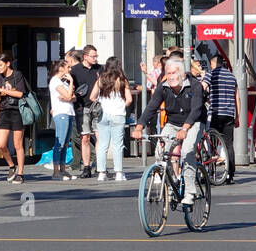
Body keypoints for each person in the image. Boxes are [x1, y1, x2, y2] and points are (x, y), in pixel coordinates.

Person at [132, 57, 204, 206]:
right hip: (172, 122)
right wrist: (139, 126)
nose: (170, 77)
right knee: (160, 152)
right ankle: (172, 183)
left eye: (174, 73)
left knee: (187, 151)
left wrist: (185, 128)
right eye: (168, 73)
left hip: (194, 122)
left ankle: (190, 192)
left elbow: (196, 109)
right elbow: (151, 107)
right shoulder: (163, 87)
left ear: (183, 74)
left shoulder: (195, 85)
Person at [0, 52, 29, 183]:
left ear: (8, 63)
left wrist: (3, 91)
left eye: (0, 65)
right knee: (1, 145)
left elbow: (19, 94)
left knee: (18, 144)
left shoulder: (17, 75)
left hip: (17, 111)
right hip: (4, 112)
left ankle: (21, 173)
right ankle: (12, 166)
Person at [90, 63, 132, 181]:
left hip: (103, 114)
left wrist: (101, 102)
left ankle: (101, 173)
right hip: (118, 114)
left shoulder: (101, 79)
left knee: (102, 144)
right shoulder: (123, 80)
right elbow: (129, 100)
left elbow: (92, 96)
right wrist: (121, 105)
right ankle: (119, 172)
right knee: (117, 144)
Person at [205, 53, 241, 183]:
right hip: (229, 114)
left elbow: (203, 86)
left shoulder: (212, 73)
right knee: (228, 145)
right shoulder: (232, 76)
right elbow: (237, 97)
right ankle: (230, 175)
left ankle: (211, 173)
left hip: (215, 113)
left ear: (213, 63)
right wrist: (237, 116)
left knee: (212, 144)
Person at [70, 45, 100, 178]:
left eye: (96, 56)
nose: (95, 59)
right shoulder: (75, 70)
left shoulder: (99, 69)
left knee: (100, 137)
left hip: (98, 107)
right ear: (85, 56)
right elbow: (70, 87)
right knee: (85, 137)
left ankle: (100, 165)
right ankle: (86, 167)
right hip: (82, 107)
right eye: (93, 56)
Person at [47, 60, 75, 180]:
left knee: (65, 143)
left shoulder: (63, 82)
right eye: (68, 67)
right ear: (61, 68)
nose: (70, 69)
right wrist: (71, 82)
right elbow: (69, 96)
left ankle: (63, 169)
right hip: (61, 112)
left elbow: (73, 97)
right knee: (60, 141)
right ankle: (56, 171)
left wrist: (68, 96)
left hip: (69, 111)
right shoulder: (55, 81)